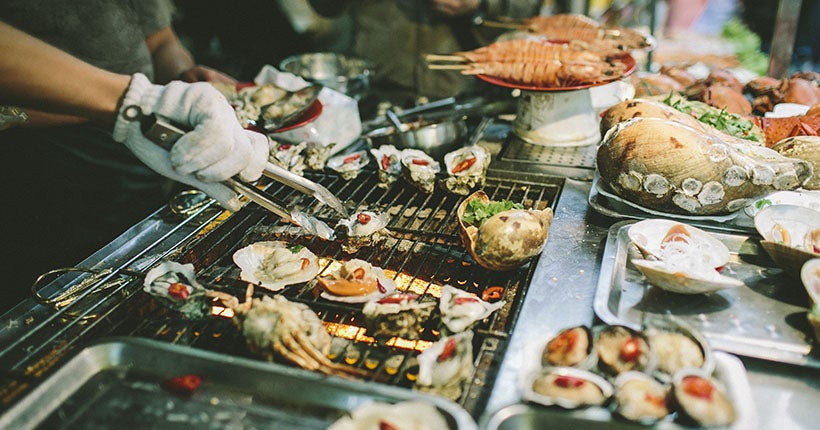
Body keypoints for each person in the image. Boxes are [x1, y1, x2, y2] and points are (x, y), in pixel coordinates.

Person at [0, 2, 268, 312]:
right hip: (48, 177)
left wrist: (180, 81)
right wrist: (129, 101)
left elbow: (160, 41)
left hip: (150, 148)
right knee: (69, 303)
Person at [307, 0, 543, 102]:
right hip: (378, 89)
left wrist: (482, 2)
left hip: (468, 92)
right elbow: (326, 8)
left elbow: (532, 5)